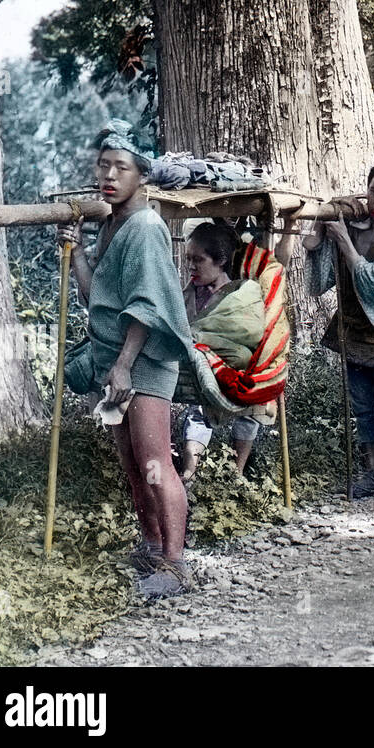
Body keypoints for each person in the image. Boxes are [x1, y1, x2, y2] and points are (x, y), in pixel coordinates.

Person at [56, 121, 200, 599]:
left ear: (143, 174)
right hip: (114, 357)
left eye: (121, 167)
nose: (109, 176)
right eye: (103, 166)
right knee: (132, 463)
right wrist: (74, 250)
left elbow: (148, 304)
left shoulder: (144, 226)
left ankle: (177, 565)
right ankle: (153, 546)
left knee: (156, 462)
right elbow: (95, 292)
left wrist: (123, 365)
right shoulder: (112, 222)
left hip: (143, 358)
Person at [304, 159, 374, 505]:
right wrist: (325, 231)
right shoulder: (353, 226)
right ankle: (372, 473)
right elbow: (318, 275)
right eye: (373, 191)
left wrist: (345, 243)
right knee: (363, 408)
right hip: (352, 330)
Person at [179, 222, 269, 491]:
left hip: (234, 372)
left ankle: (235, 473)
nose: (191, 267)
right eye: (188, 260)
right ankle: (189, 472)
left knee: (256, 400)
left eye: (198, 260)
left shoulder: (242, 295)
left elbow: (249, 333)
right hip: (197, 375)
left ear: (220, 261)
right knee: (197, 407)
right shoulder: (187, 295)